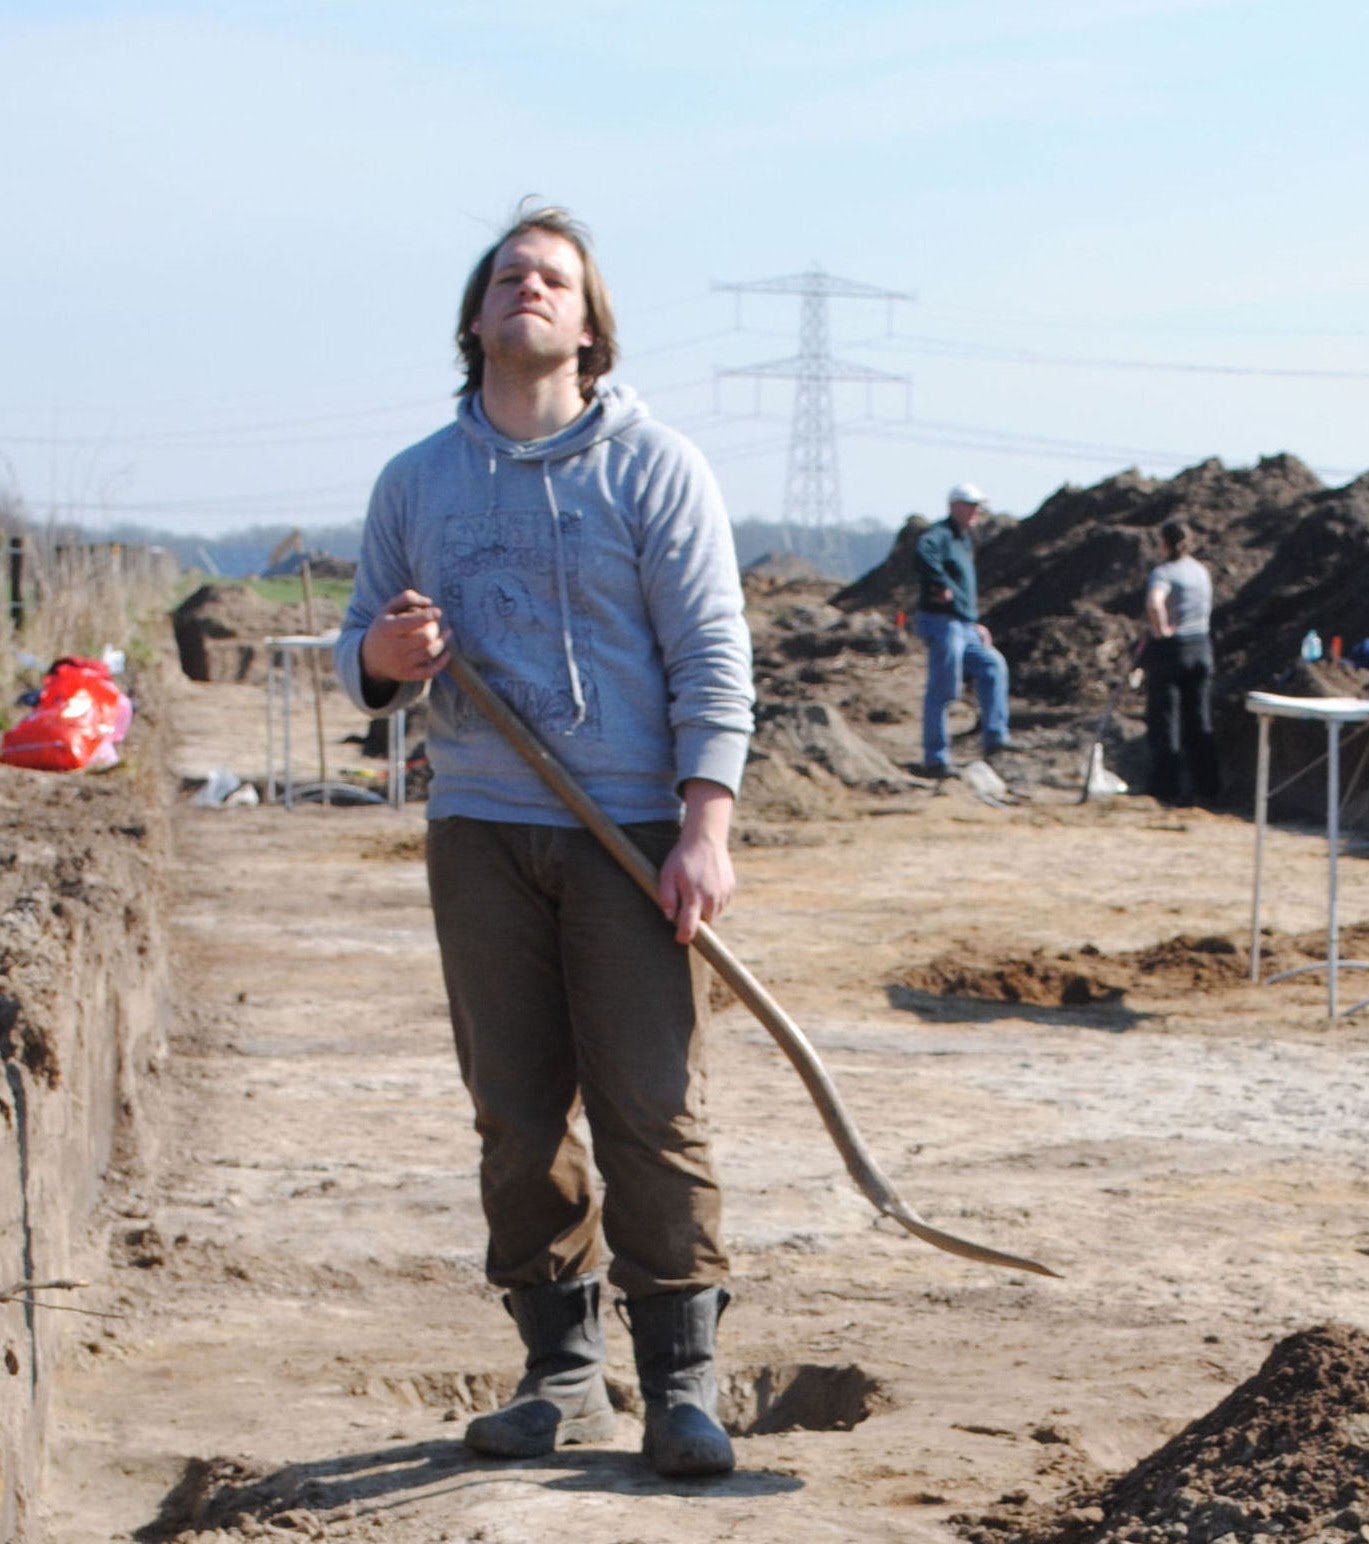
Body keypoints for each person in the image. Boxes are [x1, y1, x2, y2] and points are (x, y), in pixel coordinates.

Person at [335, 203, 755, 1478]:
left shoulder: (655, 467)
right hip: (480, 829)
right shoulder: (415, 482)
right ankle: (562, 1376)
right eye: (508, 275)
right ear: (476, 320)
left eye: (554, 279)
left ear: (588, 325)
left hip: (630, 831)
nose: (529, 288)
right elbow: (364, 656)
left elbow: (712, 652)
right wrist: (385, 658)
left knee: (651, 1108)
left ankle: (682, 1382)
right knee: (516, 1116)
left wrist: (705, 822)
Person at [912, 482, 1011, 777]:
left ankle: (996, 738)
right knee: (943, 689)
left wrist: (973, 621)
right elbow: (922, 553)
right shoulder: (940, 536)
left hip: (964, 625)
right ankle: (936, 758)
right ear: (955, 506)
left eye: (978, 506)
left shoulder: (963, 540)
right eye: (971, 506)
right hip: (942, 622)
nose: (976, 512)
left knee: (993, 666)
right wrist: (938, 585)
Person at [1143, 519, 1220, 806]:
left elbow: (1154, 602)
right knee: (1199, 719)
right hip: (1201, 647)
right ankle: (1208, 787)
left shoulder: (1164, 573)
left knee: (1166, 721)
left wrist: (1160, 630)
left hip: (1172, 651)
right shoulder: (1200, 572)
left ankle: (1167, 788)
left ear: (1164, 543)